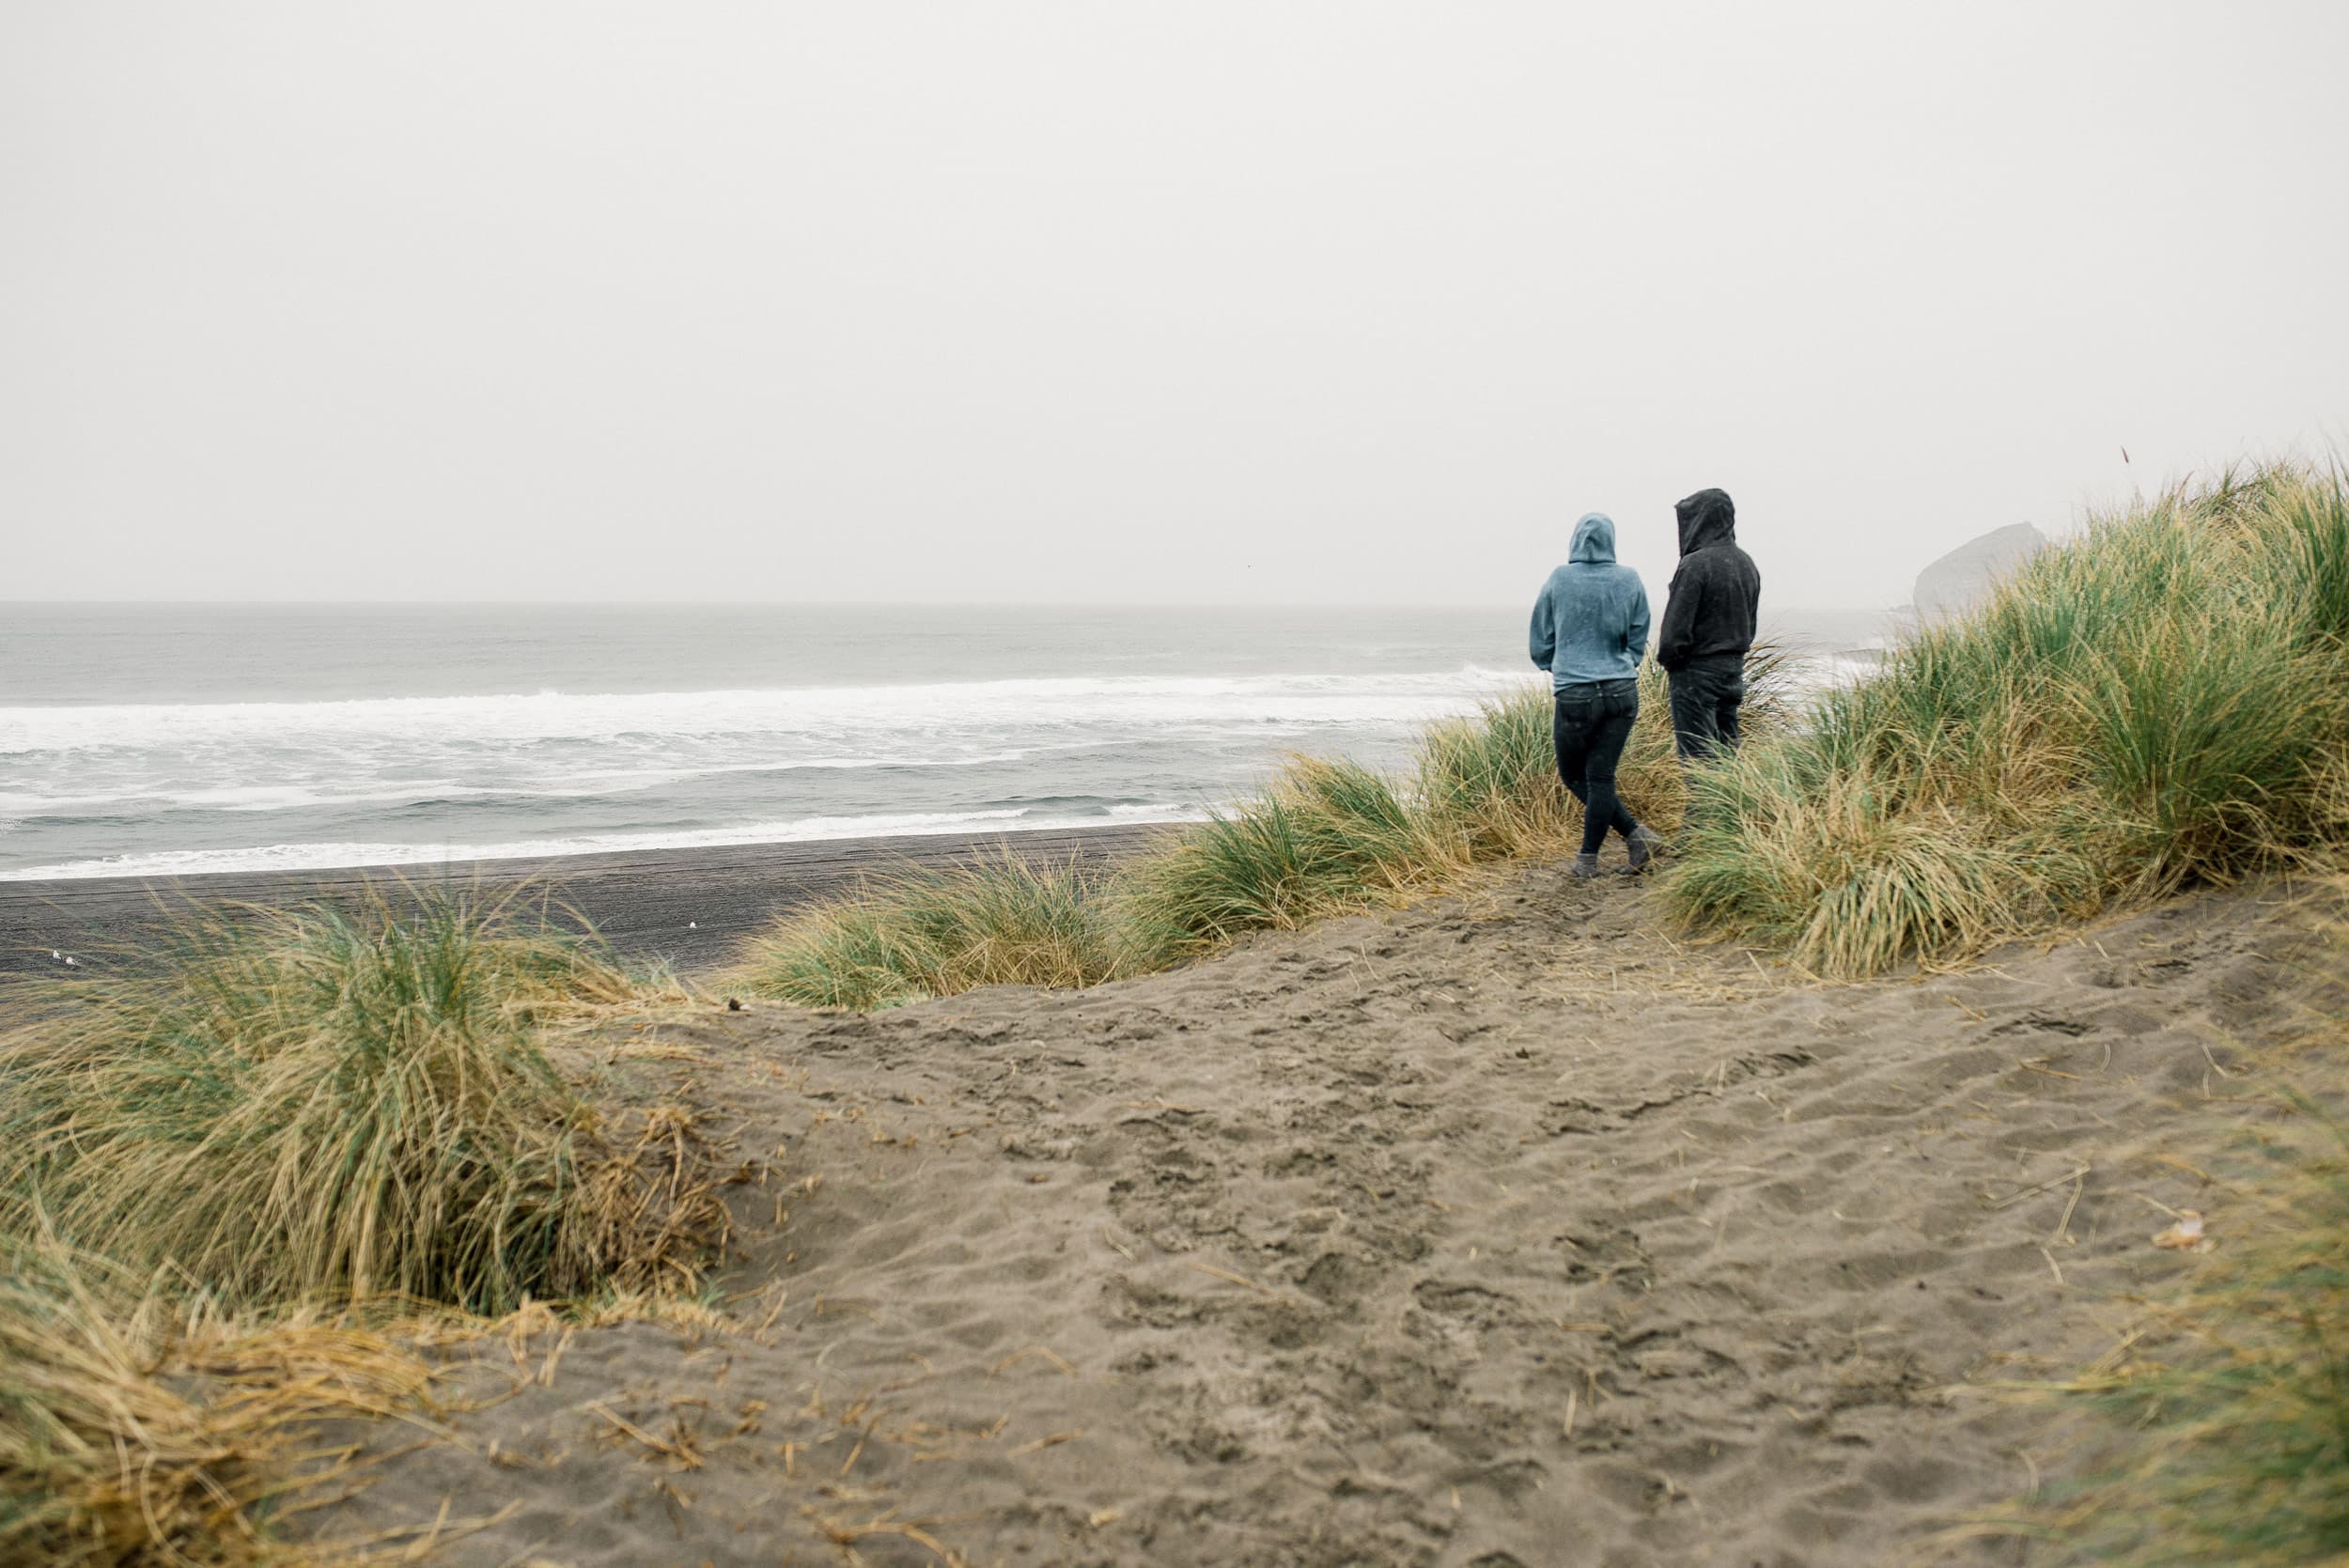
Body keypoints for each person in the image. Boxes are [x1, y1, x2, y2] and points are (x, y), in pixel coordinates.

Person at [1529, 513, 1666, 878]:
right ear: (1611, 541)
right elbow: (1639, 634)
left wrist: (1559, 666)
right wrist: (1623, 663)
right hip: (1622, 691)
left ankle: (1592, 859)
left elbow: (1540, 641)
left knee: (1574, 775)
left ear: (1575, 540)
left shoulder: (1560, 579)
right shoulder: (1629, 579)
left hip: (1576, 694)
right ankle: (1633, 839)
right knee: (1601, 777)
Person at [1657, 487, 1761, 763]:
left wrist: (1671, 662)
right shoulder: (1746, 563)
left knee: (1697, 757)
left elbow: (1674, 633)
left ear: (1701, 520)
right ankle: (1730, 793)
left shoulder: (1694, 565)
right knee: (1727, 753)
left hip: (1696, 673)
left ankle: (1704, 795)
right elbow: (1750, 626)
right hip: (1733, 670)